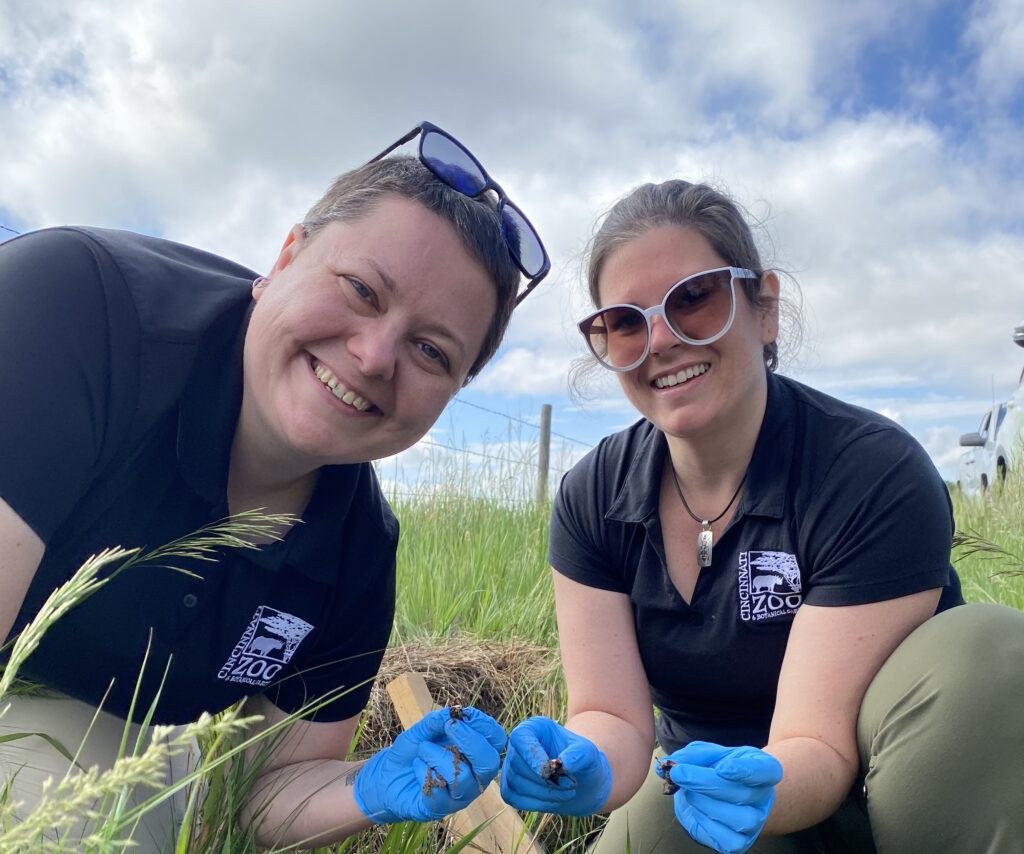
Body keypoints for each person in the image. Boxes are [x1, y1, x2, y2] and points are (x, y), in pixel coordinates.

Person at [0, 120, 550, 851]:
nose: (374, 355)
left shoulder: (356, 552)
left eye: (431, 349)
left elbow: (263, 798)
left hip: (147, 739)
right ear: (284, 258)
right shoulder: (78, 311)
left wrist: (375, 784)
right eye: (361, 290)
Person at [498, 179, 1024, 853]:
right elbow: (612, 717)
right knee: (658, 824)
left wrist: (763, 789)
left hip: (879, 792)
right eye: (625, 322)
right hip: (713, 810)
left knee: (983, 652)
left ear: (764, 308)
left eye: (695, 298)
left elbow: (817, 743)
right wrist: (586, 766)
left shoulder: (868, 473)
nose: (659, 340)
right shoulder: (592, 499)